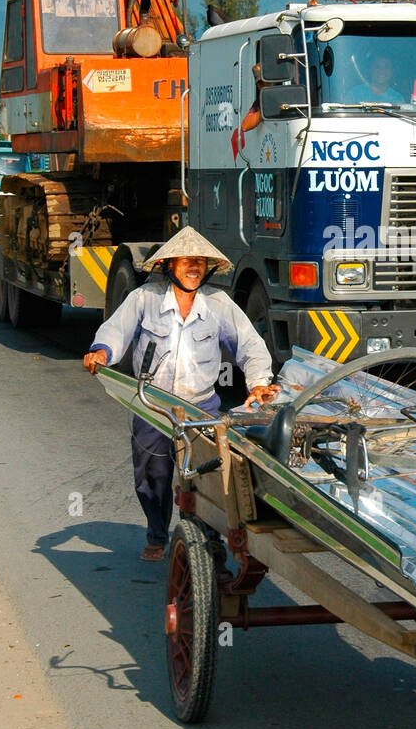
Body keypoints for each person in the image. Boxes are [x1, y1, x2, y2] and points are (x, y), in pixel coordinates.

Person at [83, 227, 279, 560]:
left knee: (205, 477)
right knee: (152, 475)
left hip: (202, 406)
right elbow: (116, 331)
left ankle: (196, 536)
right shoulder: (145, 298)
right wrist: (102, 352)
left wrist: (259, 381)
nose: (194, 267)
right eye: (187, 261)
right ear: (170, 265)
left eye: (200, 262)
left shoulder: (218, 304)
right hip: (153, 406)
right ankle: (157, 534)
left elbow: (250, 345)